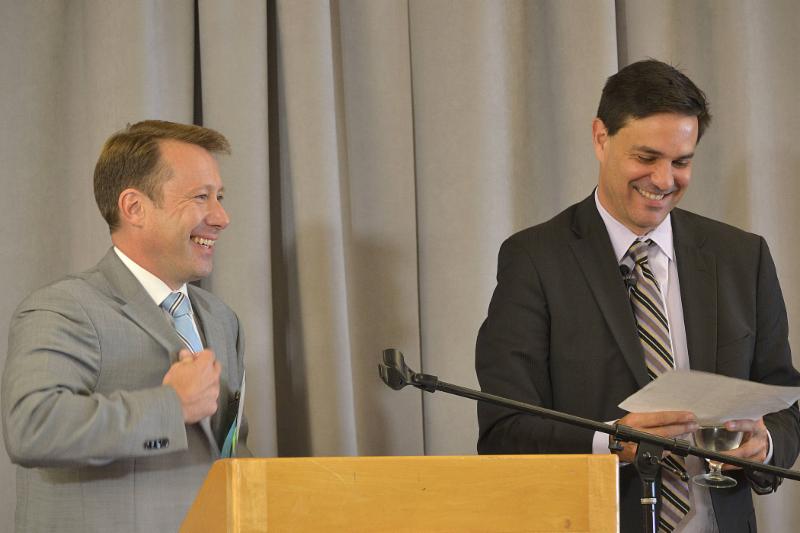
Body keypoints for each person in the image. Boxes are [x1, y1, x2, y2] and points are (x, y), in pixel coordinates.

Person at [475, 59, 800, 533]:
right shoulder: (534, 259)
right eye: (646, 158)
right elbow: (504, 431)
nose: (665, 181)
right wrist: (609, 442)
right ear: (600, 137)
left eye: (681, 162)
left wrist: (765, 443)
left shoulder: (742, 256)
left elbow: (787, 402)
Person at [2, 120, 249, 533]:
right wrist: (172, 406)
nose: (222, 217)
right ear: (134, 207)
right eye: (201, 197)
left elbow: (229, 450)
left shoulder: (223, 320)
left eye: (219, 197)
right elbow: (33, 426)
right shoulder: (63, 308)